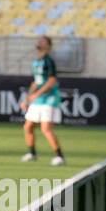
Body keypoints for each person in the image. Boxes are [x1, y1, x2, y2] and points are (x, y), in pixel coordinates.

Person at [20, 35, 65, 166]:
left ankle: (59, 156)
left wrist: (36, 95)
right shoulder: (36, 62)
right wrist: (27, 99)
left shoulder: (48, 61)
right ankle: (32, 153)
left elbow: (52, 81)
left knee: (46, 129)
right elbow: (36, 81)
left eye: (43, 41)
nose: (39, 42)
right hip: (39, 98)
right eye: (39, 40)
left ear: (49, 46)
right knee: (28, 126)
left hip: (49, 98)